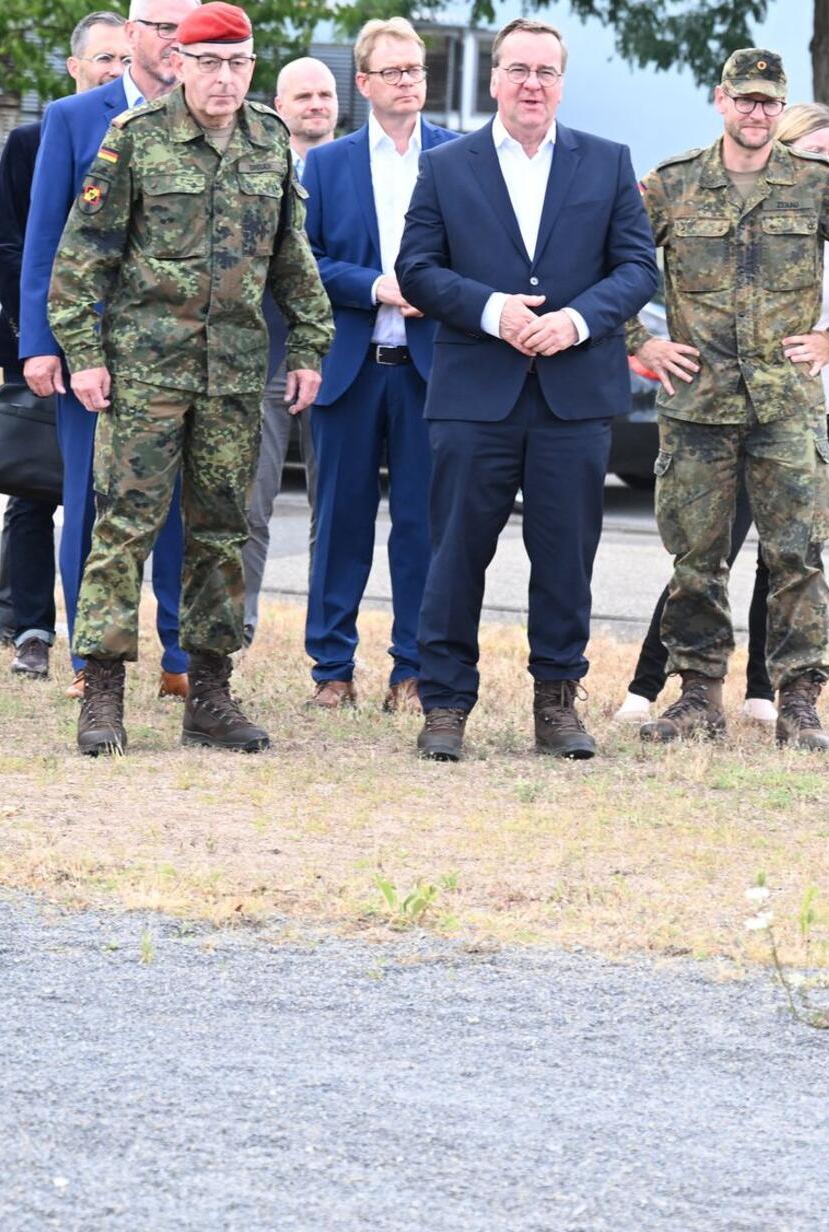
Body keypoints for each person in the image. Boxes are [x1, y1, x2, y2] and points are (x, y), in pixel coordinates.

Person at [49, 1, 334, 755]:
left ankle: (209, 693)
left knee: (221, 534)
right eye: (209, 63)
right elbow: (82, 260)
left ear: (251, 68)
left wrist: (309, 346)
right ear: (179, 64)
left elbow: (292, 259)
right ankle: (101, 692)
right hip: (146, 375)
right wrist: (84, 354)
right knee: (124, 528)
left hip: (234, 377)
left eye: (237, 64)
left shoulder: (269, 141)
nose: (224, 78)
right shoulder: (136, 138)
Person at [632, 50, 829, 751]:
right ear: (720, 99)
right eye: (744, 99)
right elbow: (604, 262)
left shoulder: (816, 185)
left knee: (797, 558)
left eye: (767, 101)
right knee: (696, 561)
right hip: (698, 407)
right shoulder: (672, 184)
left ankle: (797, 704)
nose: (755, 112)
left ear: (780, 108)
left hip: (786, 406)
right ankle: (697, 697)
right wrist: (639, 342)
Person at [395, 17, 659, 761]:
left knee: (566, 559)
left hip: (573, 398)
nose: (531, 84)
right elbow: (416, 268)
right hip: (474, 397)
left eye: (545, 71)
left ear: (562, 82)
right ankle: (445, 705)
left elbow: (637, 268)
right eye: (518, 69)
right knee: (455, 555)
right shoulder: (447, 166)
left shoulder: (606, 163)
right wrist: (493, 311)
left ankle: (557, 703)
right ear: (494, 79)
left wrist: (575, 321)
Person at [20, 0, 199, 702]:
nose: (176, 41)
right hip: (91, 350)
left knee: (181, 509)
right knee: (89, 507)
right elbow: (46, 238)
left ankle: (180, 657)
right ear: (132, 33)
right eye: (163, 26)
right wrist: (43, 343)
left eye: (187, 28)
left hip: (181, 354)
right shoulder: (73, 118)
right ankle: (89, 658)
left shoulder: (206, 111)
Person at [299, 19, 458, 715]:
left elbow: (478, 255)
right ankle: (332, 669)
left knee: (423, 527)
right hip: (350, 368)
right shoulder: (327, 165)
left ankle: (412, 670)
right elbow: (303, 261)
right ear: (362, 83)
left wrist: (435, 290)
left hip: (430, 371)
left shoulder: (458, 156)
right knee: (340, 523)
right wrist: (375, 286)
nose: (407, 82)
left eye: (415, 70)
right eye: (393, 72)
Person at [0, 12, 132, 680]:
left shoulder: (150, 136)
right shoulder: (33, 139)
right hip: (39, 342)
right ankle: (29, 625)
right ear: (74, 67)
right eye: (104, 59)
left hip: (118, 349)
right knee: (34, 488)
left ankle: (101, 634)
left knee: (108, 498)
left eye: (126, 59)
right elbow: (8, 245)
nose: (116, 70)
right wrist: (46, 334)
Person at [239, 56, 338, 645]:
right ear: (280, 107)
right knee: (252, 502)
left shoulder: (353, 169)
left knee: (334, 510)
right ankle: (240, 624)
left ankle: (325, 636)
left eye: (325, 95)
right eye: (303, 96)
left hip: (336, 358)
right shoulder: (256, 164)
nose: (316, 105)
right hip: (268, 356)